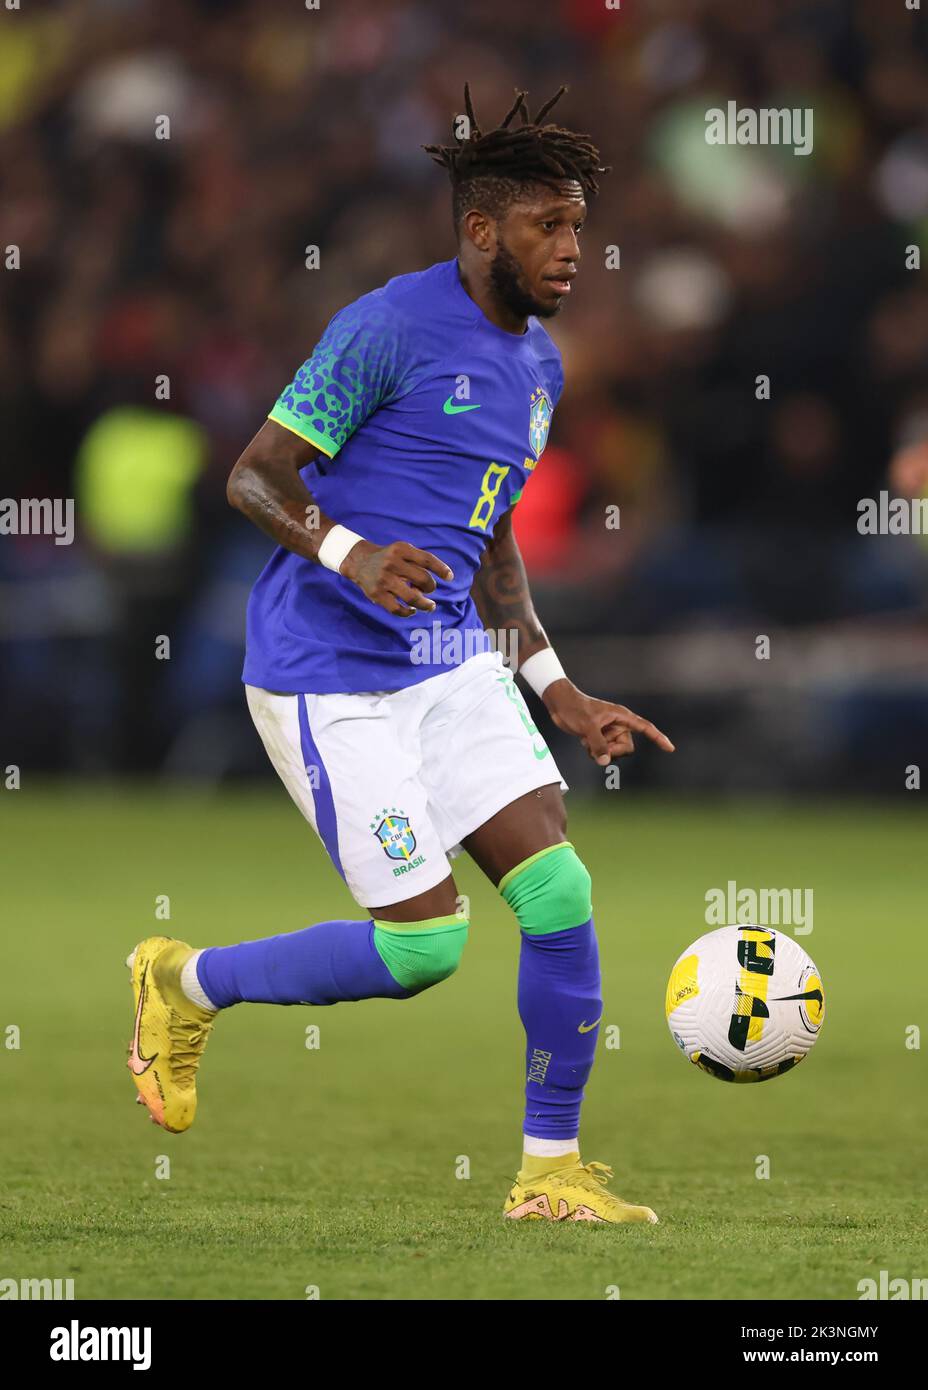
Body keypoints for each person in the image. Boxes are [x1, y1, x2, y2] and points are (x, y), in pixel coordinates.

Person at [126, 85, 673, 1223]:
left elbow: (492, 546)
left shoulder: (539, 367)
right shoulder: (384, 325)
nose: (574, 250)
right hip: (328, 672)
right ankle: (182, 981)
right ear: (480, 231)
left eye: (579, 226)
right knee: (425, 947)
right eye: (547, 227)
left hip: (450, 663)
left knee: (558, 887)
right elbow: (254, 476)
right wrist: (350, 550)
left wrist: (557, 688)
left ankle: (548, 1173)